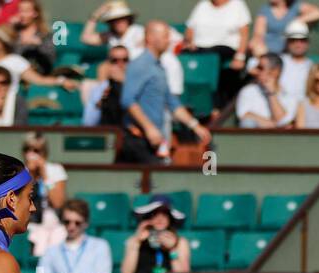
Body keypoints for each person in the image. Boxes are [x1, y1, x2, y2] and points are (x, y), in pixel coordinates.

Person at [119, 20, 211, 164]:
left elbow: (172, 102)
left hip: (154, 139)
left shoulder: (160, 67)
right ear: (150, 38)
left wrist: (195, 125)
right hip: (139, 140)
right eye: (165, 36)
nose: (169, 40)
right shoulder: (140, 65)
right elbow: (128, 100)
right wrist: (149, 128)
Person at [38, 198, 114, 273]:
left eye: (77, 223)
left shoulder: (100, 246)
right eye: (67, 222)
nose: (71, 227)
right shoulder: (51, 251)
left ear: (86, 223)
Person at [121, 194, 190, 273]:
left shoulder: (180, 242)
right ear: (148, 218)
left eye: (164, 215)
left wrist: (172, 249)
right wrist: (137, 242)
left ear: (170, 219)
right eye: (155, 214)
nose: (160, 219)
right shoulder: (135, 240)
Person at [0, 25, 74, 101]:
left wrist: (61, 81)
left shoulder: (16, 61)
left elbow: (39, 80)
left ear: (4, 42)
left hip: (8, 105)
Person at [183, 0, 252, 111]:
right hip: (200, 48)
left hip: (225, 49)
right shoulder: (203, 5)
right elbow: (190, 29)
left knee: (211, 58)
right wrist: (190, 42)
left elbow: (244, 34)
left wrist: (240, 57)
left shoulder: (237, 5)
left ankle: (215, 105)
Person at [22, 132, 66, 255]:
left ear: (44, 153)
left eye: (36, 150)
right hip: (29, 223)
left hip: (52, 223)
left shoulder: (55, 170)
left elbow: (58, 203)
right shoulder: (19, 172)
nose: (31, 154)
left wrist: (44, 175)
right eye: (27, 149)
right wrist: (30, 175)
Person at [236, 52, 294, 127]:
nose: (255, 71)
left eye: (260, 68)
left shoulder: (289, 94)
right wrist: (274, 124)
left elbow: (282, 120)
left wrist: (271, 93)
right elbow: (244, 115)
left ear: (275, 71)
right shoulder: (247, 91)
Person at [250, 0, 319, 58]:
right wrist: (265, 54)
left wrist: (297, 21)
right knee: (257, 47)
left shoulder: (295, 6)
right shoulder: (265, 10)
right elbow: (258, 36)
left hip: (287, 52)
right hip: (268, 53)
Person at [81, 45, 128, 126]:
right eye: (114, 60)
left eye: (125, 60)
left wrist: (124, 83)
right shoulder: (100, 88)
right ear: (108, 64)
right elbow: (89, 122)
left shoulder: (137, 85)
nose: (120, 64)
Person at [12, 0, 54, 75]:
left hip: (38, 74)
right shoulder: (13, 32)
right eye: (20, 11)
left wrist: (39, 45)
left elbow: (51, 58)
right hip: (15, 73)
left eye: (26, 11)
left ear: (35, 13)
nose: (22, 15)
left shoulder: (44, 34)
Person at [276, 19, 311, 106]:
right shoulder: (278, 61)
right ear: (287, 42)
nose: (298, 44)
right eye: (293, 40)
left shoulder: (312, 66)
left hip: (303, 110)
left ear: (307, 42)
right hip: (279, 107)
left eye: (302, 40)